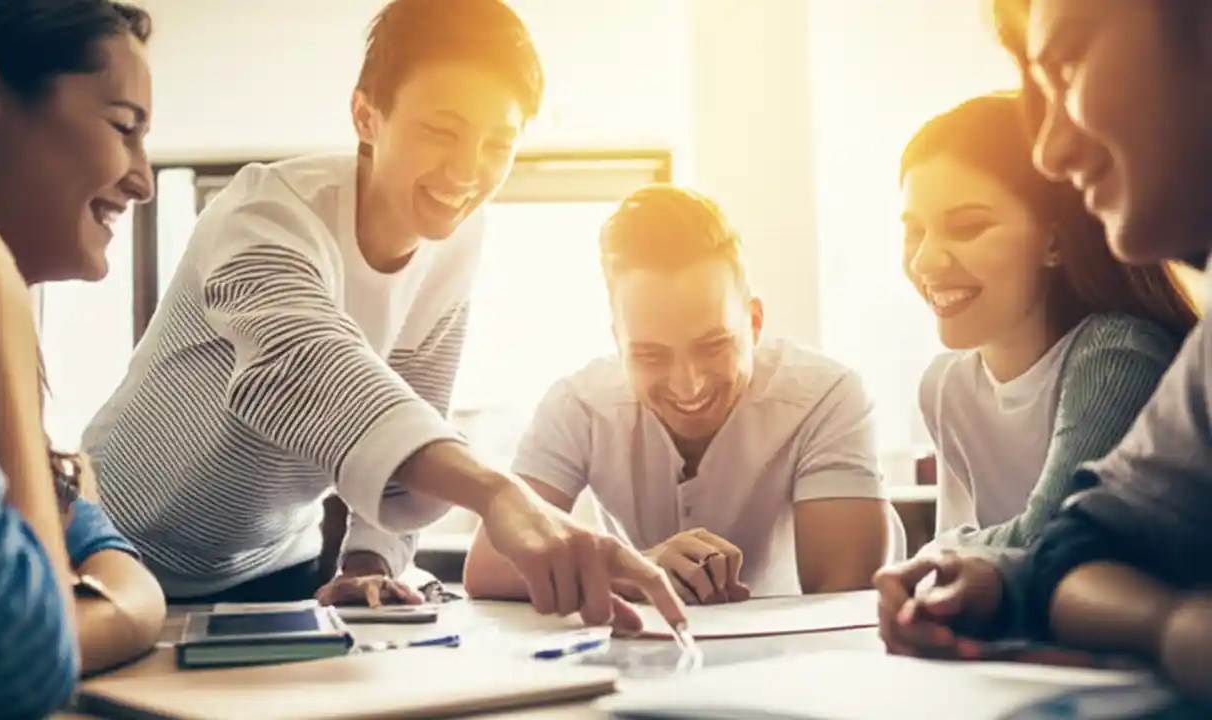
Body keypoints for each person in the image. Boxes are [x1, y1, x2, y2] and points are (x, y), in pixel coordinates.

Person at [84, 0, 686, 631]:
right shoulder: (264, 212)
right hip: (117, 546)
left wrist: (370, 560)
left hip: (275, 564)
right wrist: (499, 493)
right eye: (442, 131)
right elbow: (298, 369)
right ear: (366, 116)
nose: (467, 171)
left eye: (498, 143)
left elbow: (414, 406)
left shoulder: (457, 241)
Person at [875, 0, 1212, 702]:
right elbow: (1071, 549)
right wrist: (1174, 627)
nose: (1050, 150)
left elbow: (1048, 537)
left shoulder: (1117, 352)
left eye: (1068, 67)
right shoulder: (1204, 364)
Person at [464, 185, 892, 604]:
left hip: (793, 647)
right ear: (618, 341)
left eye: (713, 346)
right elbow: (489, 567)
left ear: (754, 322)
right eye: (650, 355)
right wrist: (630, 570)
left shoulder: (827, 397)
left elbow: (843, 591)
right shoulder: (578, 405)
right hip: (647, 643)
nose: (689, 385)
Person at [0, 0, 165, 713]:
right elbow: (24, 657)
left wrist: (64, 621)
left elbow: (124, 575)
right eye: (123, 128)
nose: (144, 180)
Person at [901, 93, 1195, 553]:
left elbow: (1052, 539)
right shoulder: (944, 387)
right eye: (915, 230)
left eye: (967, 227)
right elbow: (957, 553)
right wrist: (942, 560)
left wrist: (939, 558)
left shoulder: (1118, 357)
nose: (924, 260)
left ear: (1055, 242)